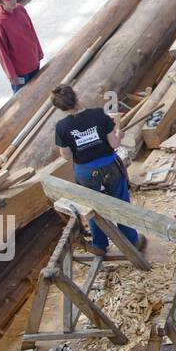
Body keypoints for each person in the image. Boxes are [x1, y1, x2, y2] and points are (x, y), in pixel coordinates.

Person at [51, 84, 146, 256]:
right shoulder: (98, 115)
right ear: (77, 96)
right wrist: (119, 134)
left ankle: (100, 245)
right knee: (120, 203)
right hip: (110, 167)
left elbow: (66, 155)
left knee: (92, 208)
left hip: (85, 172)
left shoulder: (61, 127)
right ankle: (132, 242)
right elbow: (115, 144)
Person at [0, 0, 43, 92]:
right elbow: (2, 52)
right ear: (0, 3)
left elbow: (31, 31)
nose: (13, 0)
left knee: (39, 91)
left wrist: (39, 52)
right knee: (23, 99)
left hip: (34, 62)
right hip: (20, 72)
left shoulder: (20, 9)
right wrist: (11, 75)